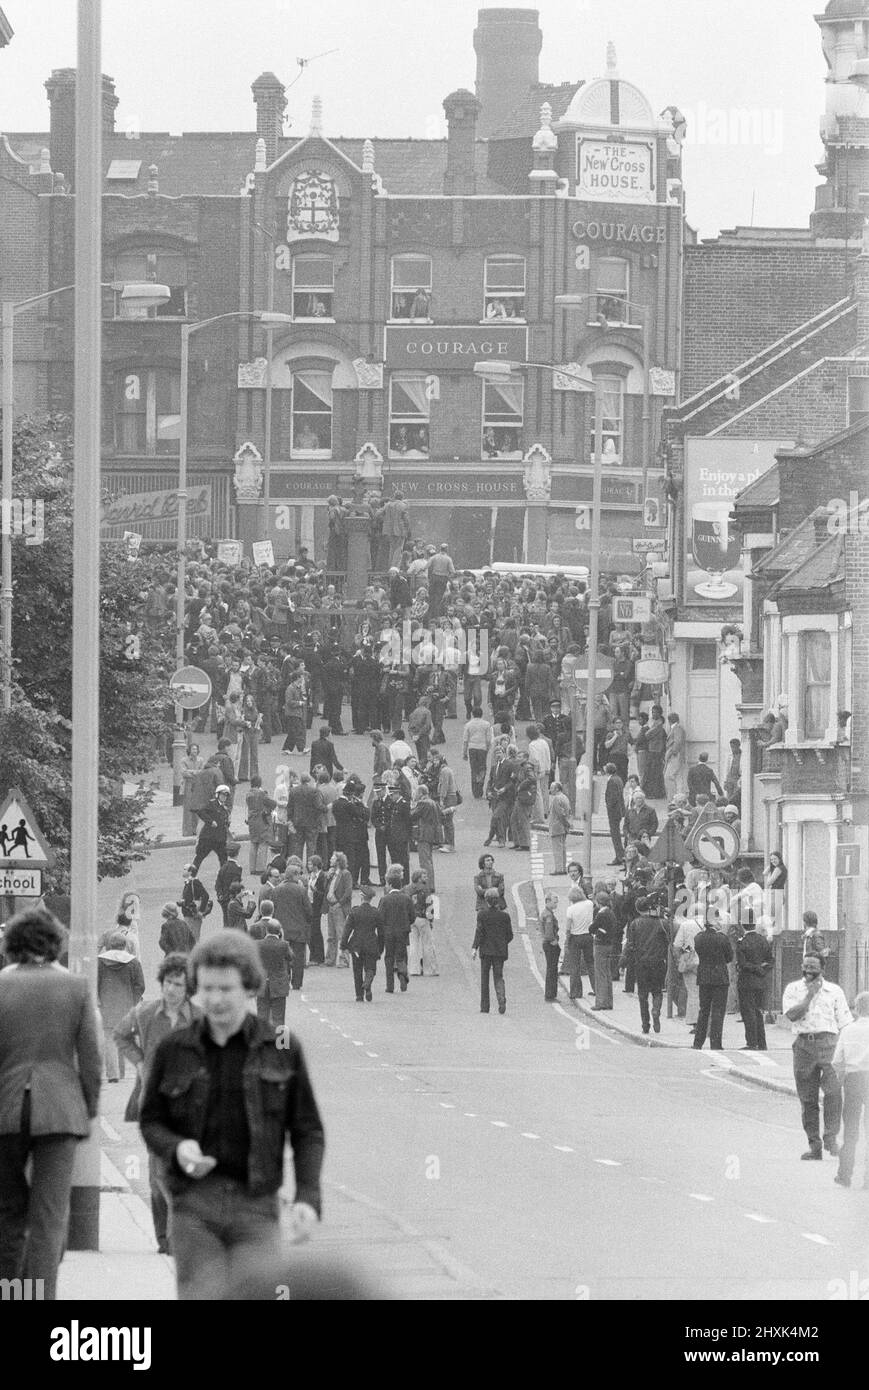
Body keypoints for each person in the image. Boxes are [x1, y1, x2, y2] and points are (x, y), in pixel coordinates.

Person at [140, 930, 325, 1300]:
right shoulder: (174, 1049)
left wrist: (307, 1196)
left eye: (226, 989)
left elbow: (307, 1130)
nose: (215, 999)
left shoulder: (281, 1048)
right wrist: (177, 1149)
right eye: (207, 989)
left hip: (256, 1205)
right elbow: (151, 1121)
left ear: (250, 988)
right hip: (193, 1206)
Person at [0, 907, 101, 1300]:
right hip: (60, 1113)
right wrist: (87, 1108)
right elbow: (90, 1060)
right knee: (48, 1219)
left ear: (13, 946)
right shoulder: (76, 988)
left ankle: (11, 1295)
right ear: (55, 944)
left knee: (8, 1213)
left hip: (5, 1111)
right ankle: (40, 1299)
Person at [115, 953, 200, 1254]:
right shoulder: (146, 1013)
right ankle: (164, 1239)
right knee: (158, 1174)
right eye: (167, 982)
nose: (172, 989)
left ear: (188, 988)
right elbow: (121, 1035)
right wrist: (139, 1062)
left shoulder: (200, 1019)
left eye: (178, 984)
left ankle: (182, 1235)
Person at [782, 954, 852, 1161]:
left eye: (813, 967)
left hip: (829, 1044)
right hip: (804, 1045)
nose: (808, 971)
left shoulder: (834, 991)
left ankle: (831, 1138)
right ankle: (814, 1145)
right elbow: (792, 1015)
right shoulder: (793, 989)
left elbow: (845, 1022)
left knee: (833, 1093)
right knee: (808, 1098)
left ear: (823, 969)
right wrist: (809, 996)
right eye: (805, 967)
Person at [97, 931, 145, 1082]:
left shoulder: (99, 962)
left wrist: (99, 1000)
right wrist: (133, 1000)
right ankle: (132, 1072)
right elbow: (140, 986)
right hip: (127, 1006)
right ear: (125, 945)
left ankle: (113, 1075)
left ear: (109, 945)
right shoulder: (133, 962)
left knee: (110, 1039)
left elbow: (95, 983)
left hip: (107, 1005)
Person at [832, 992, 869, 1189]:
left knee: (851, 1130)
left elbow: (837, 1060)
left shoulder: (848, 1030)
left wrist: (841, 1077)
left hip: (853, 1079)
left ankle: (845, 1175)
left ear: (856, 1008)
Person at [621, 896, 669, 1035]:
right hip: (658, 962)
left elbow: (630, 945)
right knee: (657, 991)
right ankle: (656, 1010)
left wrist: (623, 962)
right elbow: (668, 939)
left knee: (642, 995)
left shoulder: (635, 924)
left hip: (641, 963)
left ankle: (645, 1025)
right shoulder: (661, 923)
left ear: (637, 909)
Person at [692, 911, 734, 1051]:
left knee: (703, 1010)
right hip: (720, 977)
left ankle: (698, 1042)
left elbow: (698, 952)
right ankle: (715, 1043)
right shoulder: (722, 938)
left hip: (704, 976)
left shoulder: (698, 938)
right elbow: (729, 957)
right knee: (718, 1011)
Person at [472, 887, 513, 1014]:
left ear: (487, 901)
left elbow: (479, 932)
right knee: (498, 976)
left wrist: (474, 948)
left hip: (485, 951)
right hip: (500, 951)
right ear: (498, 900)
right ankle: (501, 999)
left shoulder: (482, 915)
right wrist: (502, 943)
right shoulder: (505, 916)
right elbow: (510, 935)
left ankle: (485, 1007)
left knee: (484, 978)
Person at [736, 911, 773, 1050]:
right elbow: (770, 960)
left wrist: (755, 968)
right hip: (760, 980)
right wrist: (762, 970)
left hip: (746, 980)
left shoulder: (742, 942)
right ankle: (762, 1042)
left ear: (742, 924)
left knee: (748, 1012)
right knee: (758, 1011)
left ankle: (751, 1042)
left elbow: (742, 964)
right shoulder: (762, 940)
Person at [340, 885, 384, 1002]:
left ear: (361, 897)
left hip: (356, 945)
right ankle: (368, 982)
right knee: (371, 968)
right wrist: (380, 948)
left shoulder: (354, 912)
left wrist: (343, 945)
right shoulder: (376, 913)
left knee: (357, 970)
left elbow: (347, 930)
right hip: (371, 944)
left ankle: (359, 995)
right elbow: (381, 933)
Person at [272, 865, 312, 990]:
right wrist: (307, 922)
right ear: (294, 875)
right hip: (299, 930)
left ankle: (285, 979)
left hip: (282, 930)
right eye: (298, 874)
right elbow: (308, 911)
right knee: (298, 958)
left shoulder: (277, 890)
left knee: (283, 957)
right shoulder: (301, 890)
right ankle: (296, 983)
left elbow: (273, 909)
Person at [380, 866, 414, 993]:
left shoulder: (385, 899)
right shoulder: (406, 898)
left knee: (389, 957)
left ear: (389, 884)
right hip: (403, 931)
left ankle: (390, 986)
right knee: (401, 956)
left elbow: (380, 917)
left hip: (388, 932)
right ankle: (403, 973)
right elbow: (412, 916)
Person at [256, 912, 294, 1027]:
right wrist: (282, 938)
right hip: (279, 984)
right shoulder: (283, 945)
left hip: (262, 984)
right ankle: (281, 1044)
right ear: (279, 931)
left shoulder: (258, 944)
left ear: (266, 931)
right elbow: (291, 957)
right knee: (279, 1017)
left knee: (262, 1015)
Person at [192, 784, 232, 875]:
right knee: (199, 857)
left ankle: (224, 879)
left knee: (223, 860)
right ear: (217, 795)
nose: (224, 797)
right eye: (222, 795)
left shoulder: (225, 809)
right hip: (208, 838)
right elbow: (201, 812)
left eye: (226, 795)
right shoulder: (212, 804)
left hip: (220, 840)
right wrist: (211, 821)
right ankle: (191, 877)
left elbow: (225, 825)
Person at [564, 885, 595, 1001]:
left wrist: (567, 941)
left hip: (575, 937)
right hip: (588, 936)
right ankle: (596, 988)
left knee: (575, 965)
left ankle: (576, 992)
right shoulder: (589, 904)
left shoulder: (570, 909)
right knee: (591, 963)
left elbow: (568, 928)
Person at [673, 910, 702, 1033]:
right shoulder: (710, 924)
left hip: (690, 962)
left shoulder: (685, 925)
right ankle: (706, 1022)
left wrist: (681, 959)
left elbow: (677, 945)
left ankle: (695, 1023)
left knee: (693, 992)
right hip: (707, 963)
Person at [589, 891, 618, 1010]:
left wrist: (596, 930)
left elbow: (592, 928)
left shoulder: (601, 914)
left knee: (600, 974)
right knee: (607, 973)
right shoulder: (611, 912)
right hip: (609, 945)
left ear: (598, 902)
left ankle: (600, 1002)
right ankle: (608, 1001)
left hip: (600, 945)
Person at [407, 868, 439, 977]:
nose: (427, 878)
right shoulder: (425, 889)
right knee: (428, 944)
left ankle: (413, 969)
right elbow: (429, 906)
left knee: (413, 944)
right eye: (424, 876)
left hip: (411, 918)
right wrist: (430, 920)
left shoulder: (407, 889)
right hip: (422, 917)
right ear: (419, 878)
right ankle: (429, 970)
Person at [324, 852, 353, 968]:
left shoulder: (345, 874)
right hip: (331, 906)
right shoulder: (332, 874)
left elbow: (348, 892)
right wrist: (328, 878)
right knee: (331, 935)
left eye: (333, 858)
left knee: (342, 935)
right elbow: (326, 889)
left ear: (338, 861)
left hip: (339, 907)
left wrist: (339, 903)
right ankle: (330, 959)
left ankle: (344, 960)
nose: (330, 860)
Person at [245, 776, 277, 876]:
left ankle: (252, 868)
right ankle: (260, 868)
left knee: (254, 843)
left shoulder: (248, 794)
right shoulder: (261, 794)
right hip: (262, 821)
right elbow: (272, 803)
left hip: (252, 821)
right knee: (263, 843)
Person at [180, 863, 211, 943]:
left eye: (184, 869)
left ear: (190, 872)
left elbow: (205, 895)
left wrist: (200, 911)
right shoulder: (188, 882)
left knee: (193, 940)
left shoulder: (195, 882)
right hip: (188, 915)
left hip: (193, 916)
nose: (183, 871)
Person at [539, 892, 561, 1002]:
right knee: (552, 970)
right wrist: (553, 940)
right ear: (548, 901)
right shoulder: (548, 915)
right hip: (550, 944)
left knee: (551, 969)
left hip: (547, 944)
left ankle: (551, 994)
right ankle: (550, 994)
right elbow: (548, 932)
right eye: (554, 902)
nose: (556, 904)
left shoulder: (547, 913)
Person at [603, 762, 625, 866]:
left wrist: (608, 806)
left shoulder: (611, 781)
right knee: (616, 834)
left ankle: (619, 856)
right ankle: (620, 855)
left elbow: (612, 797)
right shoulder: (618, 779)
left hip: (614, 812)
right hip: (619, 810)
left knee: (615, 834)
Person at [547, 780, 571, 874]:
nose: (550, 790)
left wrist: (565, 824)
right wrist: (567, 825)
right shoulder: (565, 797)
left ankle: (559, 869)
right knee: (562, 850)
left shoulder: (556, 799)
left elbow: (560, 814)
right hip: (562, 828)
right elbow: (568, 811)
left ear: (557, 789)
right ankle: (563, 868)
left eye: (552, 788)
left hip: (557, 827)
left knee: (557, 850)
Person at [181, 744, 204, 837]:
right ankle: (187, 831)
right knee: (187, 808)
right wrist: (195, 772)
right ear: (189, 750)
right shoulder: (184, 760)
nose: (194, 751)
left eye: (196, 749)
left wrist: (191, 771)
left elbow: (202, 771)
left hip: (198, 785)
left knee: (197, 807)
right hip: (188, 785)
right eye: (193, 749)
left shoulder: (201, 760)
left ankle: (196, 829)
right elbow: (183, 773)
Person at [664, 713, 687, 802]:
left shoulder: (677, 728)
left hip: (675, 756)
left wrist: (672, 752)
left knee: (668, 777)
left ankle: (672, 798)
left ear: (669, 720)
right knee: (678, 778)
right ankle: (678, 798)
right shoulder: (677, 728)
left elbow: (678, 741)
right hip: (677, 756)